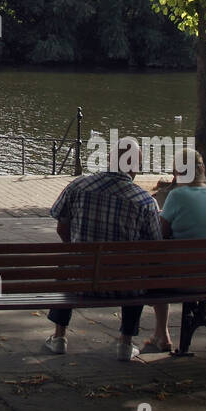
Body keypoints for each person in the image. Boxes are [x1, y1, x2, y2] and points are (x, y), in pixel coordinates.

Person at [44, 138, 162, 362]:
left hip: (79, 279)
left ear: (109, 158)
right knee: (136, 270)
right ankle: (125, 343)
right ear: (135, 166)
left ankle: (59, 337)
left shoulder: (78, 186)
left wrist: (79, 253)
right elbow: (153, 247)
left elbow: (62, 228)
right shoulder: (145, 201)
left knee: (67, 261)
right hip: (124, 286)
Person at [141, 150, 206, 352]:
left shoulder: (177, 196)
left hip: (183, 281)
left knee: (154, 263)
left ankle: (161, 333)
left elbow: (160, 235)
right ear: (202, 169)